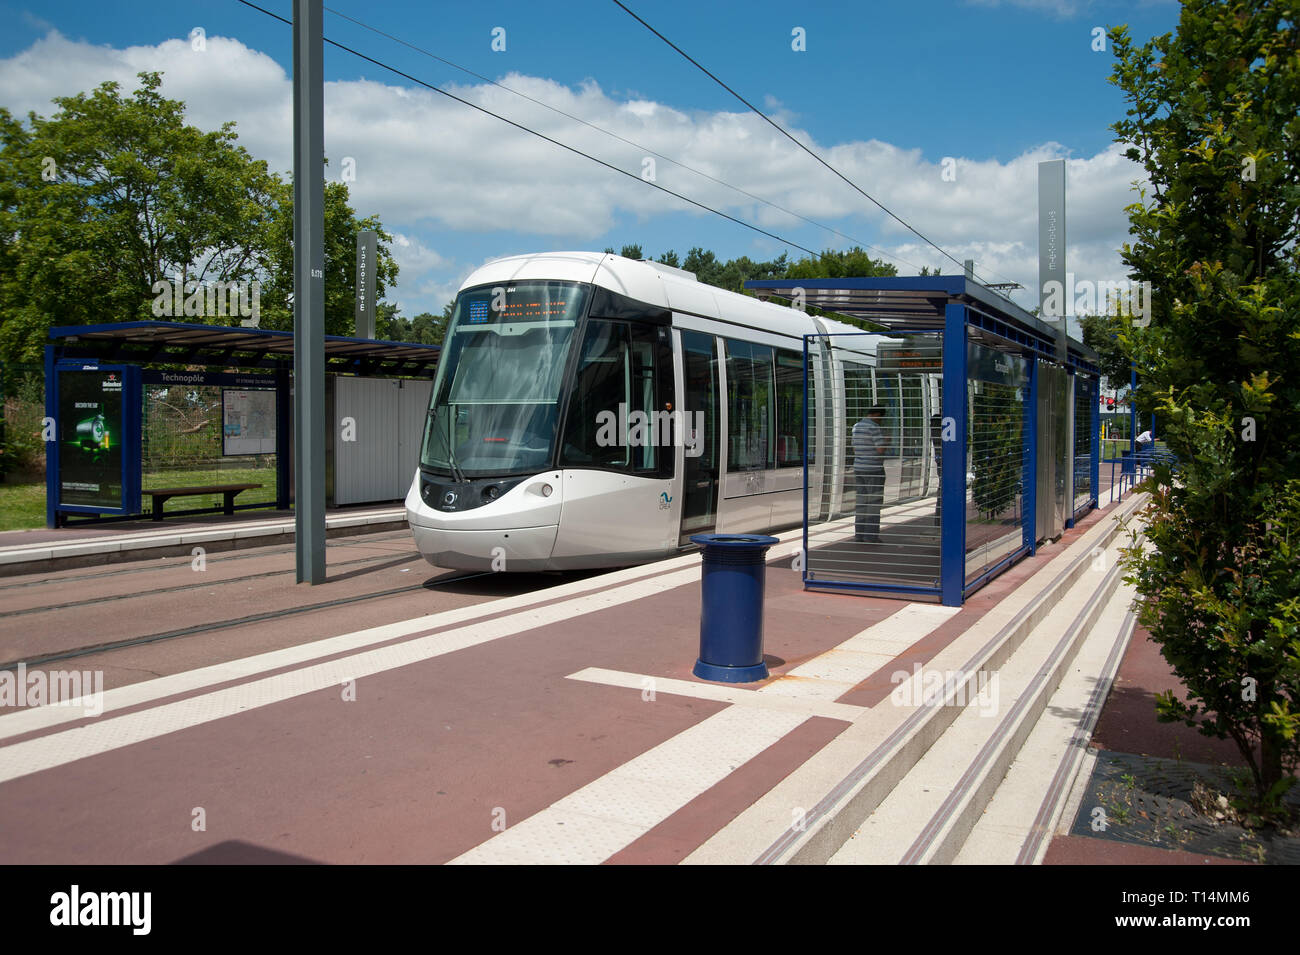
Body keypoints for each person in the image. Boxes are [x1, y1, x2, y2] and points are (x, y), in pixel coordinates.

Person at [852, 405, 889, 543]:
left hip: (859, 468)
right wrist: (887, 441)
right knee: (873, 503)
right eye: (881, 418)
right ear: (877, 415)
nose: (881, 421)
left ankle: (859, 534)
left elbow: (855, 449)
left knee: (861, 502)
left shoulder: (856, 426)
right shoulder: (874, 427)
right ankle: (870, 536)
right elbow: (880, 449)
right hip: (873, 469)